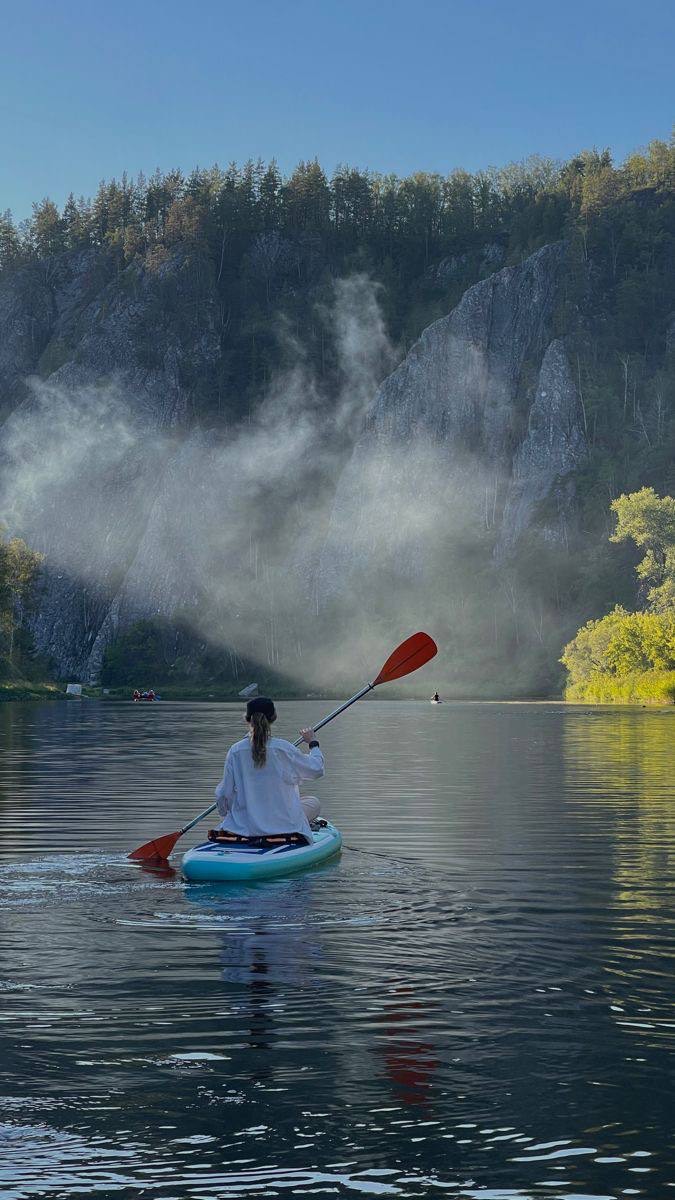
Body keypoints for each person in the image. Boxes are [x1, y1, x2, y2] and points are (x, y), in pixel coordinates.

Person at [214, 696, 324, 842]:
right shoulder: (283, 748)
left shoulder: (235, 751)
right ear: (274, 717)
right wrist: (313, 743)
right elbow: (316, 769)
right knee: (313, 802)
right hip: (283, 826)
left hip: (244, 826)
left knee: (237, 810)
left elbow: (223, 794)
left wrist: (228, 816)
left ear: (247, 719)